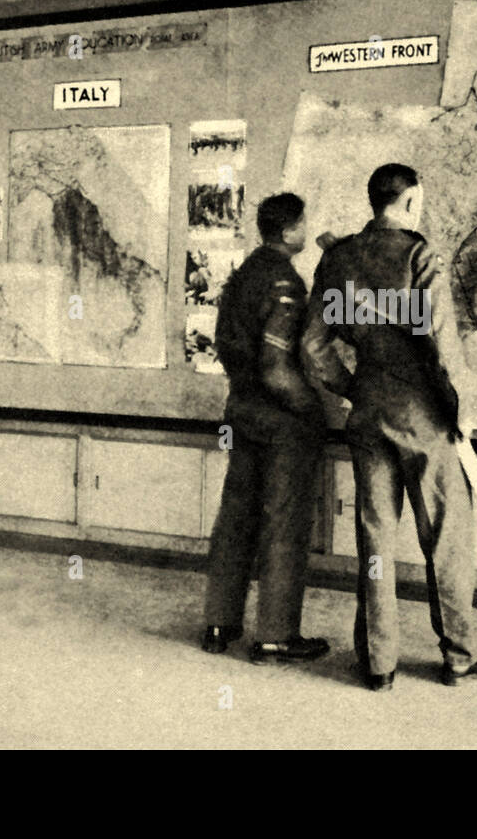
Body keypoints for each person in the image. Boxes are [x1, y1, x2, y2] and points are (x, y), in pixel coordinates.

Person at [302, 163, 477, 692]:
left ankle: (378, 661)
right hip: (424, 415)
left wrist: (350, 387)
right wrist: (459, 413)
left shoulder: (337, 258)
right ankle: (459, 655)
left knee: (374, 535)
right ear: (411, 200)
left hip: (367, 411)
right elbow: (441, 344)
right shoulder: (418, 254)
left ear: (375, 201)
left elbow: (312, 346)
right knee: (446, 536)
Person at [201, 192, 331, 666]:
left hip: (241, 412)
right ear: (289, 231)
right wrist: (310, 410)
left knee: (235, 519)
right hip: (280, 422)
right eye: (303, 224)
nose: (305, 230)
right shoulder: (285, 283)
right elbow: (277, 368)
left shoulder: (242, 275)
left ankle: (219, 624)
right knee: (284, 524)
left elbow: (225, 345)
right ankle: (275, 635)